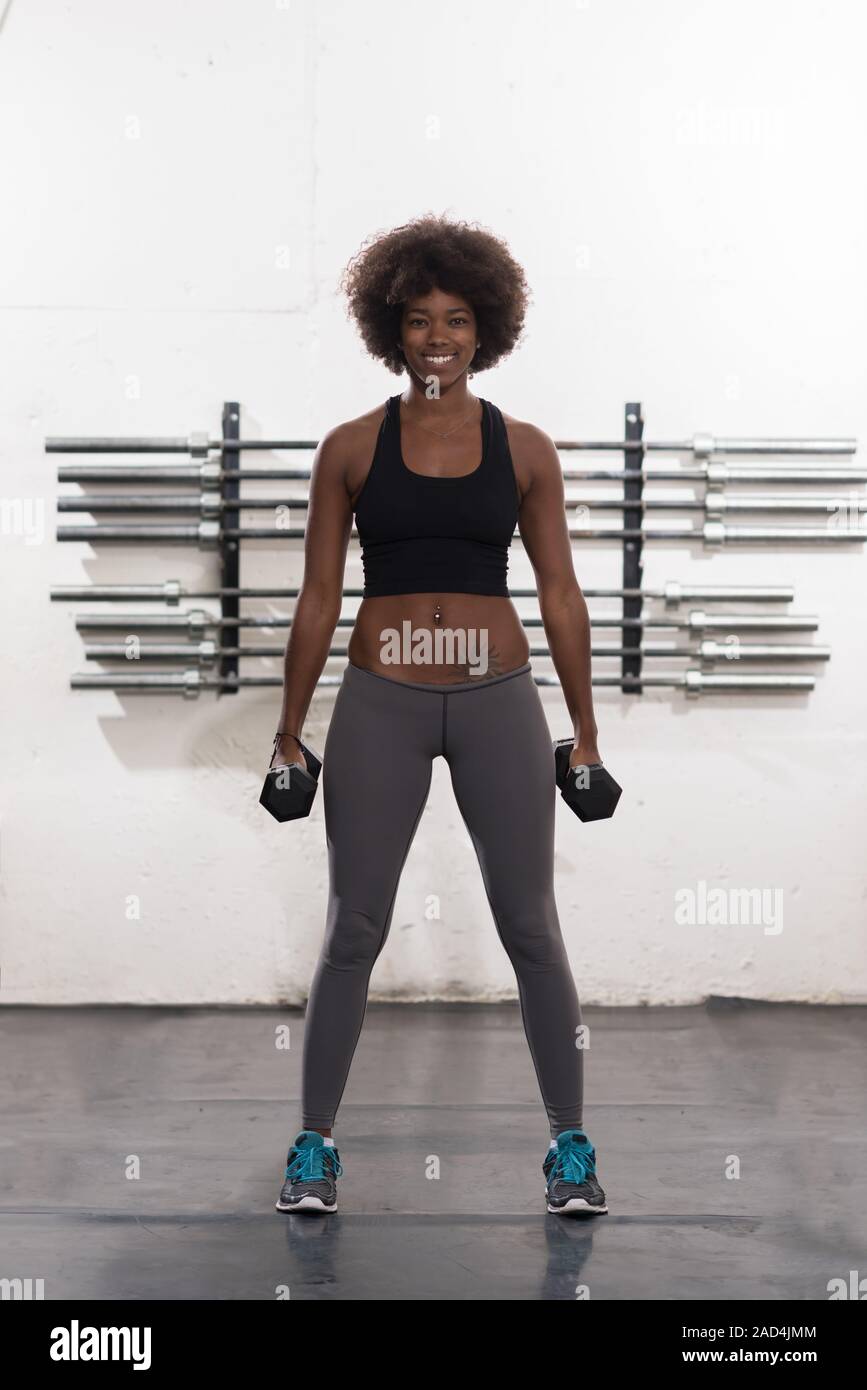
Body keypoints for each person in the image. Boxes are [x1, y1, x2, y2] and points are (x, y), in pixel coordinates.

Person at [273, 213, 607, 1218]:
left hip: (499, 698)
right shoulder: (347, 448)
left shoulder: (529, 448)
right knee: (354, 926)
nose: (437, 336)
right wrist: (290, 730)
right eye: (418, 318)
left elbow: (560, 595)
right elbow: (319, 599)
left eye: (456, 318)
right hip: (383, 699)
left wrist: (585, 732)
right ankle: (313, 1149)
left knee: (531, 927)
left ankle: (572, 1152)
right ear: (393, 328)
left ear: (484, 329)